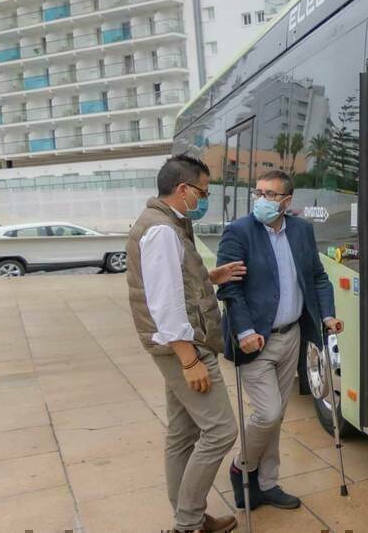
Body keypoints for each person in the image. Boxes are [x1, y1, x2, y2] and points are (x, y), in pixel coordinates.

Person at [126, 155, 246, 533]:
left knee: (183, 433)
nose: (204, 198)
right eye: (203, 192)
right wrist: (190, 360)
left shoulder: (164, 222)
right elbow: (164, 301)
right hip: (183, 346)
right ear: (183, 189)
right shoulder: (162, 230)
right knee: (221, 431)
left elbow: (173, 278)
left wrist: (208, 276)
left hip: (176, 345)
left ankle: (189, 518)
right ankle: (188, 523)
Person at [216, 169, 342, 511]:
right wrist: (244, 332)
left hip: (291, 336)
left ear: (286, 201)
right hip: (255, 340)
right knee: (268, 413)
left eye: (270, 194)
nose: (262, 199)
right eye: (258, 192)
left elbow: (318, 277)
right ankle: (242, 467)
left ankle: (267, 483)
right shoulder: (239, 232)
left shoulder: (301, 230)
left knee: (278, 415)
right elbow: (229, 289)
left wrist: (327, 315)